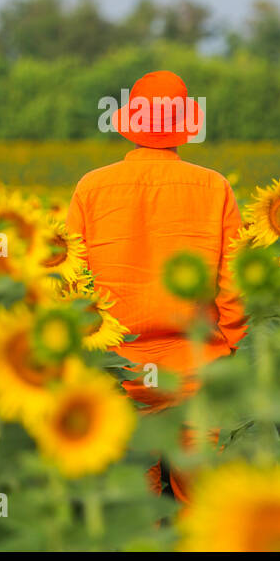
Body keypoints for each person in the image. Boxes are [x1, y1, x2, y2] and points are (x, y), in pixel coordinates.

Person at [65, 71, 247, 501]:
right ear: (184, 125)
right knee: (203, 509)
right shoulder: (214, 187)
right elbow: (234, 287)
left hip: (118, 373)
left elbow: (72, 284)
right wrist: (233, 350)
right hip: (195, 370)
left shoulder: (91, 188)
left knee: (134, 513)